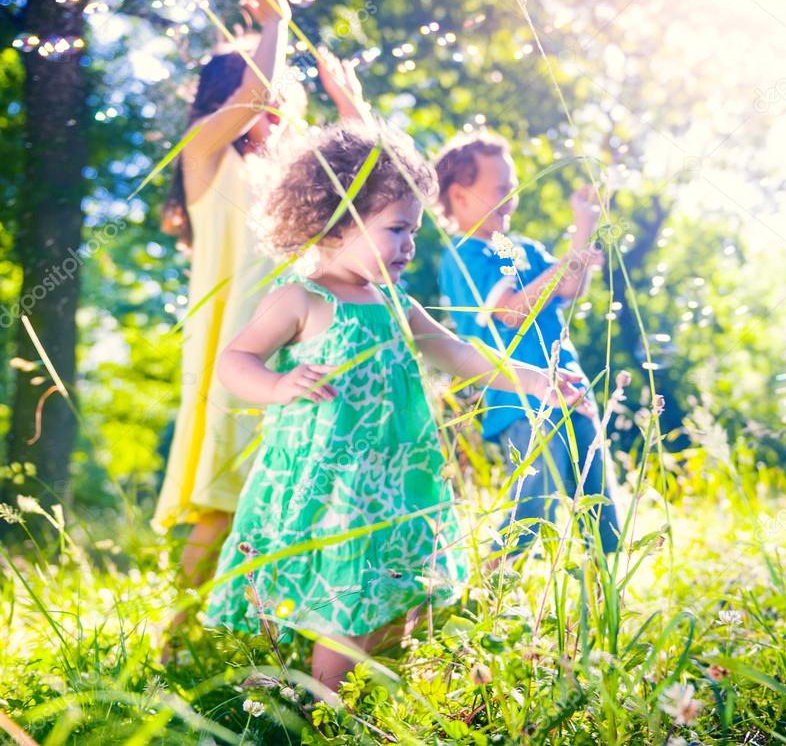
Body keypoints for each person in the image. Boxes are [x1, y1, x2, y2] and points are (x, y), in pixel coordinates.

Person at [202, 120, 590, 691]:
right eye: (397, 229)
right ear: (336, 223)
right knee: (340, 592)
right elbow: (235, 361)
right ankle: (316, 704)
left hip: (392, 478)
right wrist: (278, 386)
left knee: (382, 591)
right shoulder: (302, 298)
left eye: (412, 230)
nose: (410, 244)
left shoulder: (395, 301)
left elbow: (456, 353)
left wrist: (533, 379)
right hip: (329, 479)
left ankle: (357, 685)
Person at [156, 0, 370, 600]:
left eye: (287, 108)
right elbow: (254, 94)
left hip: (303, 346)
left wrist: (350, 108)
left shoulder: (291, 187)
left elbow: (366, 193)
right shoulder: (204, 158)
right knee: (226, 495)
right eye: (266, 102)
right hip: (236, 354)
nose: (275, 115)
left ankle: (269, 629)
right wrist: (275, 26)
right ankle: (176, 636)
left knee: (304, 491)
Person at [435, 132, 621, 559]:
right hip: (520, 395)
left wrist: (585, 223)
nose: (511, 198)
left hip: (568, 383)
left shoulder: (523, 249)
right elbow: (510, 312)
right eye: (501, 189)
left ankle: (606, 582)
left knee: (597, 492)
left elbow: (570, 287)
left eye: (513, 187)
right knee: (535, 497)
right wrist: (562, 266)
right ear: (461, 197)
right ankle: (501, 576)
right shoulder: (465, 255)